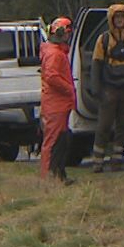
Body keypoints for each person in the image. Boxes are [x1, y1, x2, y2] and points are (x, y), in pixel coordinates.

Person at [91, 3, 124, 173]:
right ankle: (98, 161)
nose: (120, 20)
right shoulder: (103, 40)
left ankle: (117, 161)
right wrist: (96, 88)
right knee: (104, 126)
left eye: (123, 17)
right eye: (117, 17)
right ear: (111, 20)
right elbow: (96, 65)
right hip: (109, 89)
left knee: (123, 127)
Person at [39, 16, 75, 184]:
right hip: (56, 105)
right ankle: (49, 177)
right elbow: (52, 77)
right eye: (67, 33)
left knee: (61, 140)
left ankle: (58, 175)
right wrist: (69, 88)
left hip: (58, 104)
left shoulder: (57, 52)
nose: (68, 36)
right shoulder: (55, 54)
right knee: (53, 141)